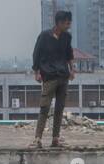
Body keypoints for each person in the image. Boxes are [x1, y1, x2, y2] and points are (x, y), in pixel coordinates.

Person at [31, 9, 74, 148]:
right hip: (49, 76)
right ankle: (38, 138)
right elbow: (36, 54)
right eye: (67, 23)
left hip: (63, 76)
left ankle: (55, 138)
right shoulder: (44, 36)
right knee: (44, 107)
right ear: (59, 23)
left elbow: (69, 54)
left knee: (59, 109)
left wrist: (72, 70)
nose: (69, 26)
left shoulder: (67, 37)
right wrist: (37, 72)